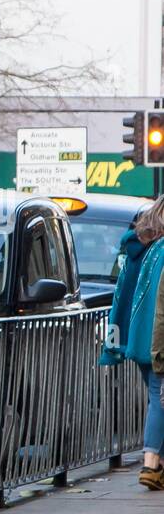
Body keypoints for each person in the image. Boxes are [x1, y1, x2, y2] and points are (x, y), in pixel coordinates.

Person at [101, 194, 164, 489]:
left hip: (137, 338)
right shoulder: (160, 252)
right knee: (159, 398)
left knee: (156, 397)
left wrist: (118, 338)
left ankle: (156, 463)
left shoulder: (138, 250)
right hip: (157, 339)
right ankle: (151, 462)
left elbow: (121, 296)